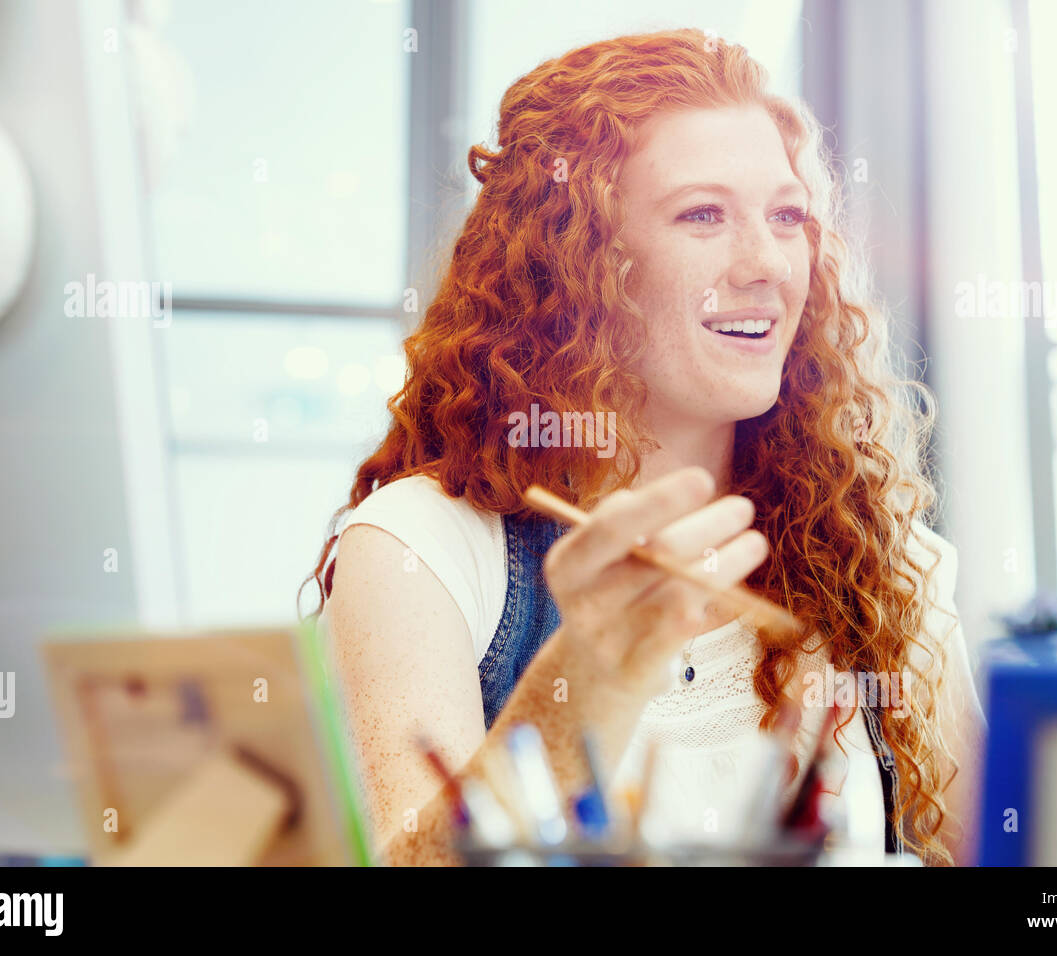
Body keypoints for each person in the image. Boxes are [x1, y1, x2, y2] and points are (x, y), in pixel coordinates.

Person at [303, 28, 987, 866]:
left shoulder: (876, 561)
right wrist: (585, 680)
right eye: (702, 215)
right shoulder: (424, 551)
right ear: (574, 261)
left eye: (787, 216)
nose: (766, 262)